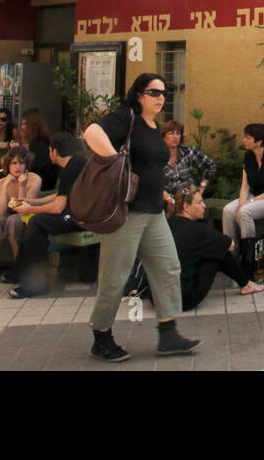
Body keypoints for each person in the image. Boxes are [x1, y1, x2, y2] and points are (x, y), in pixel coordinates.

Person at [81, 73, 199, 362]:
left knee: (168, 268)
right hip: (126, 213)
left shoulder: (152, 126)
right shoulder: (126, 118)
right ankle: (101, 336)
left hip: (154, 212)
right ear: (138, 95)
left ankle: (169, 334)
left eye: (164, 93)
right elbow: (91, 133)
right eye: (153, 92)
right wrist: (116, 161)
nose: (160, 97)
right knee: (115, 276)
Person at [10, 132, 88, 298]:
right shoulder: (77, 163)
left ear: (54, 151)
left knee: (37, 222)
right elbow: (61, 194)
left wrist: (28, 210)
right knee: (35, 221)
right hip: (82, 213)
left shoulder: (72, 168)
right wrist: (33, 202)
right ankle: (19, 273)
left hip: (81, 218)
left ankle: (36, 283)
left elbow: (57, 208)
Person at [168, 185, 264, 308]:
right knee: (220, 250)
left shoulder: (167, 224)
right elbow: (230, 245)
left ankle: (246, 284)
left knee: (211, 248)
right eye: (199, 203)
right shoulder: (198, 231)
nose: (204, 205)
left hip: (157, 297)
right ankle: (246, 284)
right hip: (183, 299)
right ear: (186, 207)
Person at [221, 123, 264, 273]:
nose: (243, 140)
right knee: (228, 210)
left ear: (258, 141)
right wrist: (241, 202)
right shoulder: (249, 156)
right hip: (257, 195)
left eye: (247, 138)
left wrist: (249, 203)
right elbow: (245, 185)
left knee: (245, 211)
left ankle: (248, 259)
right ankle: (231, 255)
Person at [0, 145, 43, 273]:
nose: (18, 167)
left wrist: (22, 186)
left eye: (21, 163)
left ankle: (19, 265)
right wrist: (5, 185)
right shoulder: (0, 183)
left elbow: (23, 208)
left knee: (13, 220)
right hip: (8, 214)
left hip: (28, 216)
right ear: (7, 165)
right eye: (14, 163)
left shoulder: (34, 179)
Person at [161, 120, 216, 202]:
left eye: (178, 133)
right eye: (171, 133)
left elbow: (210, 165)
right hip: (165, 201)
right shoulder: (157, 156)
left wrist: (201, 189)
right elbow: (152, 182)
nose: (175, 137)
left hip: (188, 199)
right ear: (163, 136)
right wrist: (170, 200)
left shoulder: (187, 152)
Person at [18, 109, 54, 188]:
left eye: (25, 124)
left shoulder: (41, 144)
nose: (21, 127)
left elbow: (28, 166)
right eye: (21, 124)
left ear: (33, 125)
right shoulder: (35, 143)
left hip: (41, 183)